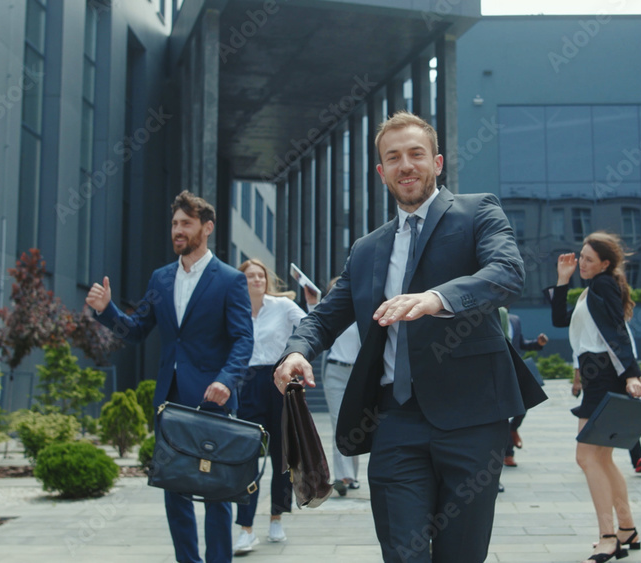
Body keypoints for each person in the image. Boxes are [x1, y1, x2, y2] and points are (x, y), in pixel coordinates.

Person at [273, 111, 544, 563]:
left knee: (462, 554)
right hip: (395, 423)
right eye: (393, 157)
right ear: (381, 172)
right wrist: (297, 352)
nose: (406, 166)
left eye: (416, 154)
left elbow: (507, 273)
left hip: (473, 419)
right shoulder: (366, 250)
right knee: (403, 553)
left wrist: (438, 297)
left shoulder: (477, 212)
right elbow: (325, 316)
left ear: (437, 162)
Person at [86, 191, 253, 563]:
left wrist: (227, 380)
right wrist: (106, 310)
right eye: (175, 224)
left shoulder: (229, 280)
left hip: (214, 400)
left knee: (216, 493)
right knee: (174, 490)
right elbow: (135, 329)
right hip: (170, 401)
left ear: (206, 228)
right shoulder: (160, 279)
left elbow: (243, 339)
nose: (178, 230)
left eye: (186, 224)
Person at [546, 231, 641, 563]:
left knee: (588, 458)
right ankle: (626, 528)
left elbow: (617, 330)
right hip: (596, 379)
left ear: (605, 263)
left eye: (589, 259)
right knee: (600, 459)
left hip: (604, 378)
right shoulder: (591, 290)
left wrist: (632, 373)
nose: (582, 263)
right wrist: (563, 279)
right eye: (581, 257)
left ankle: (608, 537)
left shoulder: (602, 286)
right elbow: (560, 321)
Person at [233, 258, 317, 554]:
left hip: (278, 380)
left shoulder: (281, 307)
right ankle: (245, 528)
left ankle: (276, 518)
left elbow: (310, 324)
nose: (257, 280)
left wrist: (312, 303)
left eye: (260, 275)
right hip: (245, 384)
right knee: (245, 458)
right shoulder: (235, 308)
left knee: (282, 457)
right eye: (250, 276)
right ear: (240, 281)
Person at [321, 276, 363, 496]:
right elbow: (311, 322)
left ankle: (352, 476)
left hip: (356, 373)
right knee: (339, 423)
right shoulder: (331, 316)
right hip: (335, 372)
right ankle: (342, 477)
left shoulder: (360, 312)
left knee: (353, 423)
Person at [501, 309, 547, 467]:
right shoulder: (490, 316)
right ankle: (508, 454)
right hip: (498, 371)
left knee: (524, 404)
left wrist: (537, 343)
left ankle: (514, 428)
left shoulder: (514, 319)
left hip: (515, 370)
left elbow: (520, 344)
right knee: (503, 415)